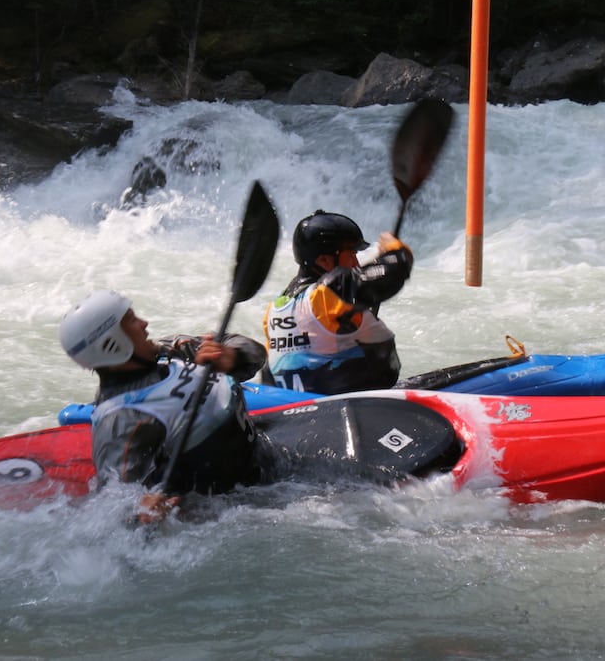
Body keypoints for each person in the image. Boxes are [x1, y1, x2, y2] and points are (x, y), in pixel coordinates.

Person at [59, 289, 274, 523]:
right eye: (132, 320)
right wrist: (139, 511)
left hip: (270, 457)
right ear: (114, 343)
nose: (144, 323)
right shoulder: (122, 419)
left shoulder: (171, 350)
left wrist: (233, 355)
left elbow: (256, 352)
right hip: (239, 507)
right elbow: (110, 506)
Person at [261, 210, 414, 395]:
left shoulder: (275, 310)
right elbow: (393, 270)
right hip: (354, 405)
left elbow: (267, 374)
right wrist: (394, 250)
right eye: (351, 254)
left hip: (299, 410)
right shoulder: (326, 295)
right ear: (324, 260)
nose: (357, 262)